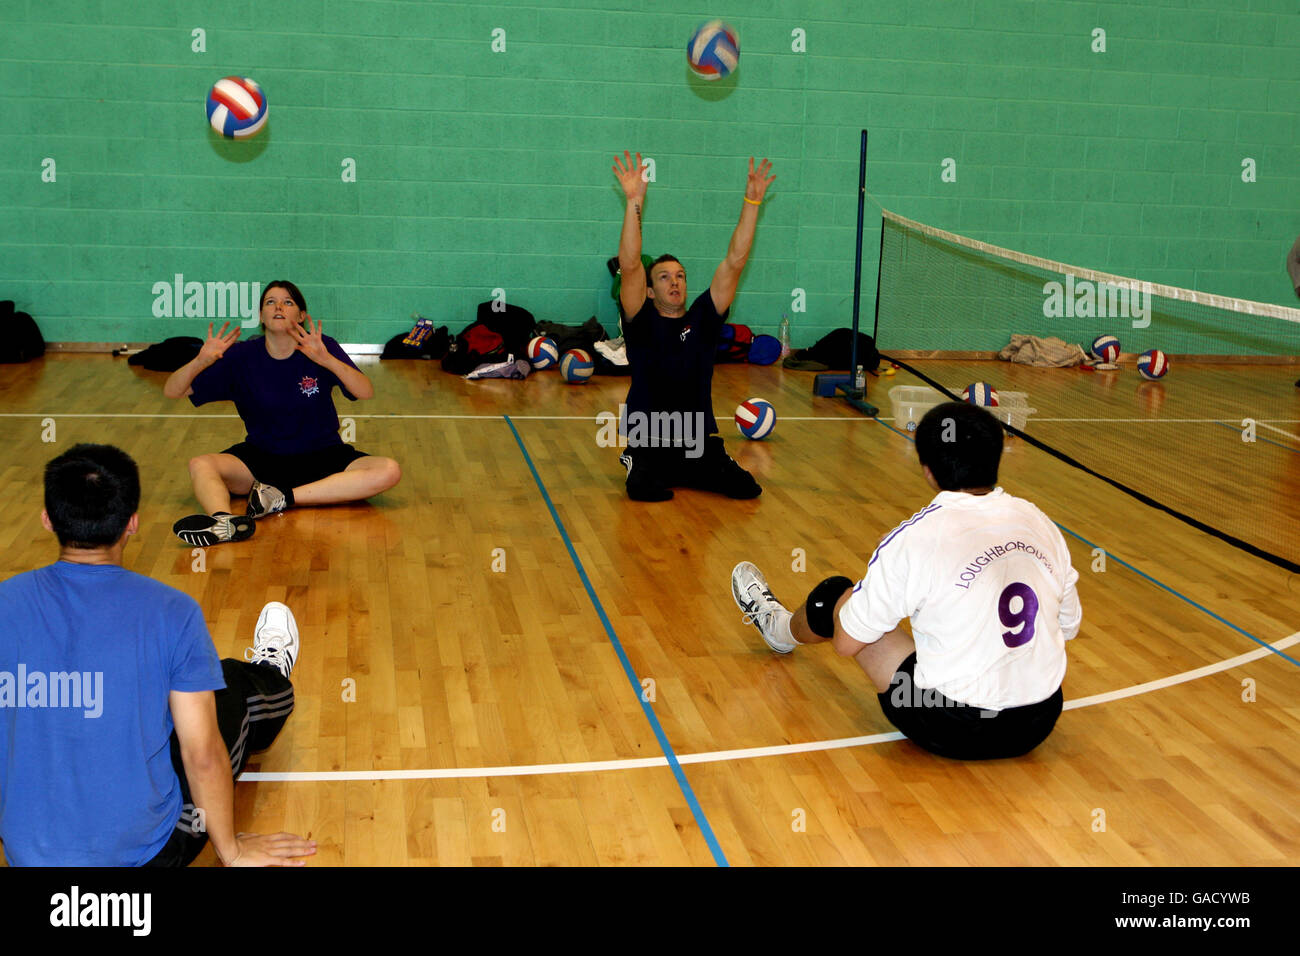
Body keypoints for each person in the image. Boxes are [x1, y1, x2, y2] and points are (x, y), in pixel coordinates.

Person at [0, 443, 316, 866]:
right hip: (151, 854)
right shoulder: (173, 612)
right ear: (132, 523)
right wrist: (233, 851)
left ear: (47, 520)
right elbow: (202, 754)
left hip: (26, 854)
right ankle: (269, 671)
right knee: (230, 690)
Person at [731, 403, 1082, 760]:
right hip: (1037, 721)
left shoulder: (916, 537)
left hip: (951, 725)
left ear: (928, 472)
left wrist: (881, 576)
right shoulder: (1040, 522)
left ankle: (778, 629)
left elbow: (847, 643)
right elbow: (1068, 626)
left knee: (836, 596)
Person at [162, 280, 401, 545]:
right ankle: (224, 522)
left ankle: (283, 498)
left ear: (300, 316)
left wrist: (327, 361)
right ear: (261, 316)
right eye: (270, 302)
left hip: (323, 456)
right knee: (200, 464)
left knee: (388, 470)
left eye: (287, 302)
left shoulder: (320, 347)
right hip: (261, 460)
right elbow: (174, 391)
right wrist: (200, 361)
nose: (278, 306)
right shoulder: (241, 356)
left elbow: (365, 391)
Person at [611, 151, 775, 501]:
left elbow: (734, 262)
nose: (675, 282)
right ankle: (634, 459)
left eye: (681, 276)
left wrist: (752, 202)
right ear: (651, 290)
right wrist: (634, 202)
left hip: (697, 440)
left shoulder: (703, 318)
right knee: (643, 491)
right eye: (665, 277)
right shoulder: (640, 320)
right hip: (649, 440)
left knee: (747, 490)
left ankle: (693, 469)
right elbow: (630, 264)